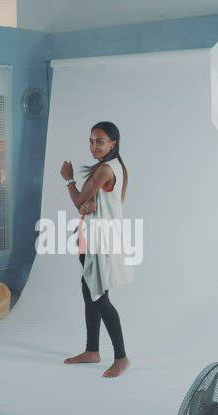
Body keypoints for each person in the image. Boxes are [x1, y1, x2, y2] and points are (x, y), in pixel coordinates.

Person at [61, 122, 134, 379]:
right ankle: (92, 350)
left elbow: (79, 199)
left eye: (100, 141)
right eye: (91, 141)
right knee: (89, 292)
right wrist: (88, 206)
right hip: (92, 237)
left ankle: (121, 357)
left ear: (113, 143)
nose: (94, 146)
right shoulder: (117, 166)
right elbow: (100, 202)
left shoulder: (105, 168)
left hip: (98, 241)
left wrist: (68, 178)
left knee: (100, 298)